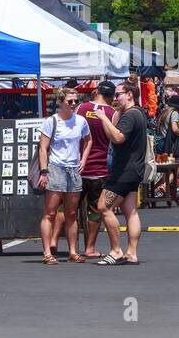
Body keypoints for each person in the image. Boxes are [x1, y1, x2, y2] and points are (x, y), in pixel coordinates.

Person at [91, 81, 146, 265]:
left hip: (124, 171)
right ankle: (132, 253)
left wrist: (103, 117)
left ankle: (116, 251)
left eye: (119, 94)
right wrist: (113, 116)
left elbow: (118, 137)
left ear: (130, 94)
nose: (115, 98)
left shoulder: (130, 116)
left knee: (103, 207)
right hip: (135, 169)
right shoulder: (138, 112)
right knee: (130, 211)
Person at [36, 87, 92, 264]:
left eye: (76, 100)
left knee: (71, 213)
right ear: (61, 102)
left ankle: (73, 252)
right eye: (70, 101)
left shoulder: (81, 121)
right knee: (50, 213)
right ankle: (47, 252)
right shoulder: (52, 121)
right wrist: (44, 172)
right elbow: (42, 147)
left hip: (73, 169)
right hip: (56, 168)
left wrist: (84, 159)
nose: (74, 104)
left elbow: (88, 140)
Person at [77, 80, 119, 258]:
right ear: (111, 96)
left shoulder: (80, 108)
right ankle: (90, 248)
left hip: (79, 166)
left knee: (68, 209)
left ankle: (57, 244)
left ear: (97, 91)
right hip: (100, 168)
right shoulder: (112, 113)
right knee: (95, 210)